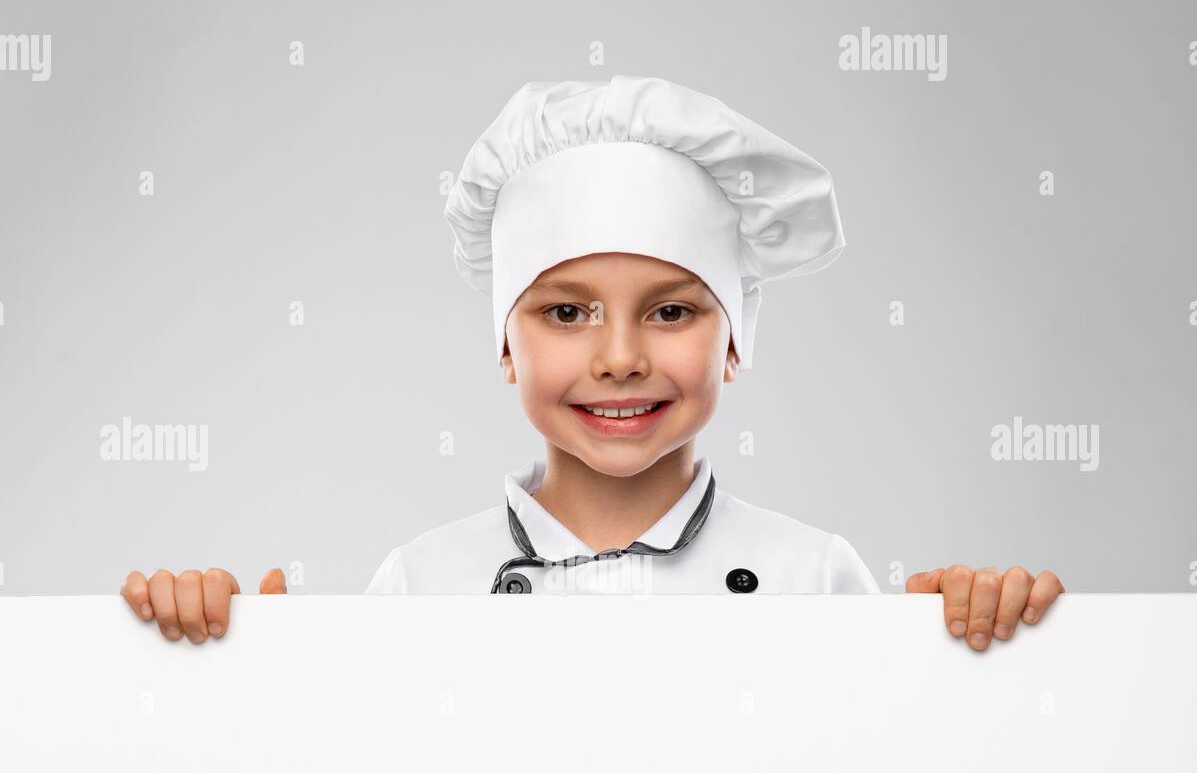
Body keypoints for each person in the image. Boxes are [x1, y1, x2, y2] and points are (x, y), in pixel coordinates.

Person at [121, 75, 1063, 649]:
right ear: (504, 342)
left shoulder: (813, 577)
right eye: (566, 311)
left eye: (673, 311)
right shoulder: (420, 585)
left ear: (734, 338)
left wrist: (975, 637)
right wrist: (219, 653)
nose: (619, 358)